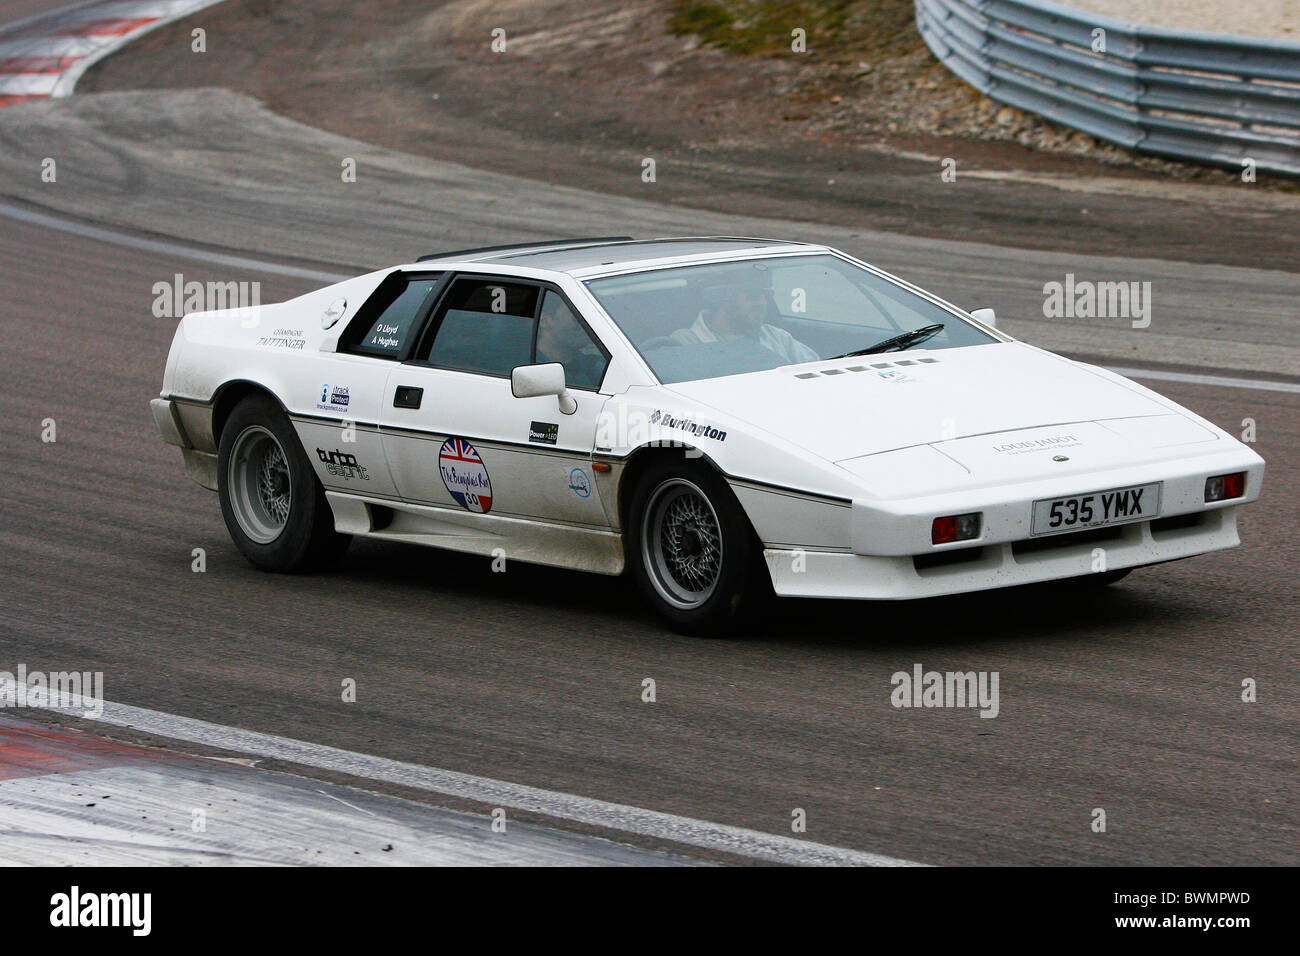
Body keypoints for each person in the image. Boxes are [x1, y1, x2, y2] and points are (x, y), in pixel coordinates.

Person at [670, 279, 819, 365]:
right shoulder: (686, 341)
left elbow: (815, 370)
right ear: (725, 298)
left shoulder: (776, 336)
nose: (762, 303)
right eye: (753, 296)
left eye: (766, 295)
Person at [536, 293, 604, 390]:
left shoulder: (593, 366)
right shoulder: (529, 368)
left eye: (587, 319)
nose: (584, 326)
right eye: (575, 318)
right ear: (545, 321)